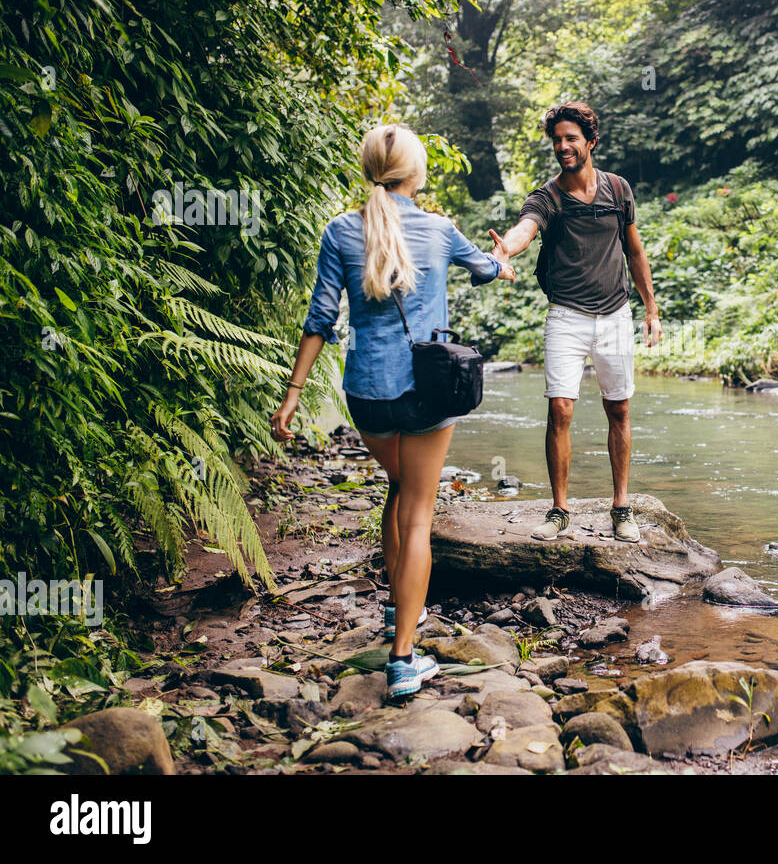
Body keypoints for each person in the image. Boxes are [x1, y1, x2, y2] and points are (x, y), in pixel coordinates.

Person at [270, 123, 514, 702]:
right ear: (415, 172)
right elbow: (490, 270)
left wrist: (293, 394)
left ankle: (392, 607)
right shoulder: (439, 230)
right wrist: (503, 256)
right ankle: (403, 658)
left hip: (367, 394)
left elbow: (319, 320)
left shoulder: (339, 232)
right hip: (428, 391)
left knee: (399, 490)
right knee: (419, 515)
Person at [487, 102, 661, 543]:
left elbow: (634, 252)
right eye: (557, 140)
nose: (562, 147)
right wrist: (505, 250)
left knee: (618, 408)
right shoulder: (547, 196)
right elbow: (526, 228)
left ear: (590, 142)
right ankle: (560, 510)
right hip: (566, 315)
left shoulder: (618, 190)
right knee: (559, 408)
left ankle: (621, 507)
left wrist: (651, 310)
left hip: (616, 314)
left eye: (570, 139)